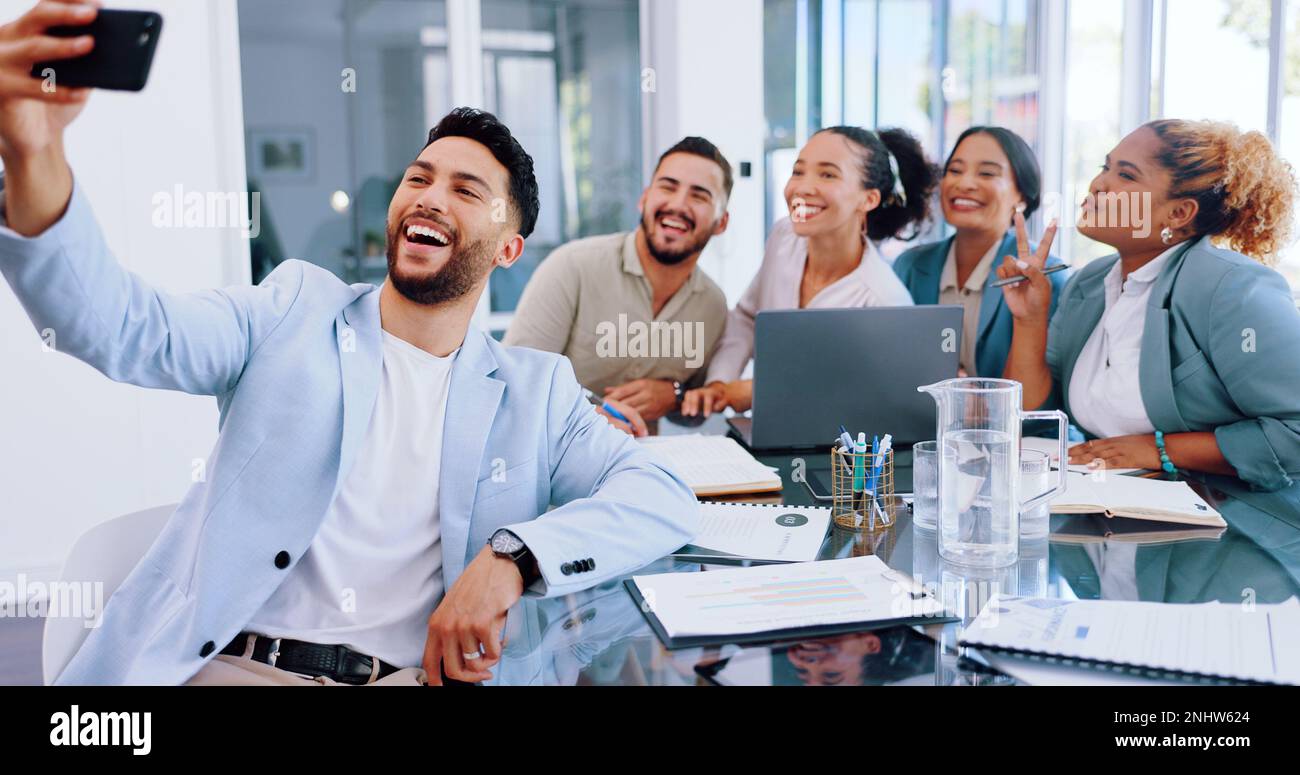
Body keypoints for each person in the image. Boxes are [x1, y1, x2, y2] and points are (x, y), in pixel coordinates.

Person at [0, 1, 697, 685]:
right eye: (418, 178)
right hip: (237, 666)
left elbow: (661, 496)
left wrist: (512, 557)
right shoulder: (292, 309)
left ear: (509, 246)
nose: (428, 196)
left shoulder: (536, 392)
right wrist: (34, 151)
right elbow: (117, 326)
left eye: (465, 190)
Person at [1001, 118, 1300, 506]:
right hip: (1111, 520)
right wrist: (1029, 319)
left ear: (1177, 214)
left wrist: (1160, 449)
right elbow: (1034, 419)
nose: (1098, 185)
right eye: (1104, 167)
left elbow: (1293, 431)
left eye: (1125, 175)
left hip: (1230, 533)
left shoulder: (1232, 288)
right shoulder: (1088, 285)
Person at [682, 126, 938, 416]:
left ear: (868, 199)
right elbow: (747, 317)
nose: (802, 188)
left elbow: (863, 399)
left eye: (827, 174)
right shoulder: (784, 238)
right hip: (765, 434)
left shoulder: (885, 300)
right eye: (798, 171)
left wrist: (760, 391)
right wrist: (720, 383)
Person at [504, 137, 731, 430]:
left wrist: (675, 396)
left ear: (721, 222)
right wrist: (588, 422)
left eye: (699, 196)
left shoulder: (713, 305)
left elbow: (695, 407)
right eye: (668, 187)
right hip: (554, 463)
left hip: (641, 465)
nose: (677, 204)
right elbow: (517, 383)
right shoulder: (573, 267)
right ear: (645, 198)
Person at [893, 126, 1069, 378]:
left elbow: (1044, 401)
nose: (964, 183)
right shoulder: (910, 266)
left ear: (1021, 197)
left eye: (987, 173)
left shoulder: (1046, 278)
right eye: (954, 170)